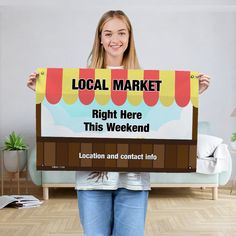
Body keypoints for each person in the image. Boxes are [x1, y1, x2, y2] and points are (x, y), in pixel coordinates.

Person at [27, 10, 210, 236]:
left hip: (133, 179)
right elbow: (70, 117)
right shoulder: (80, 81)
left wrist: (193, 93)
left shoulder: (148, 81)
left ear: (129, 38)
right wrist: (42, 92)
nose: (115, 40)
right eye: (108, 33)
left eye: (121, 33)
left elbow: (157, 121)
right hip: (92, 181)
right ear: (100, 39)